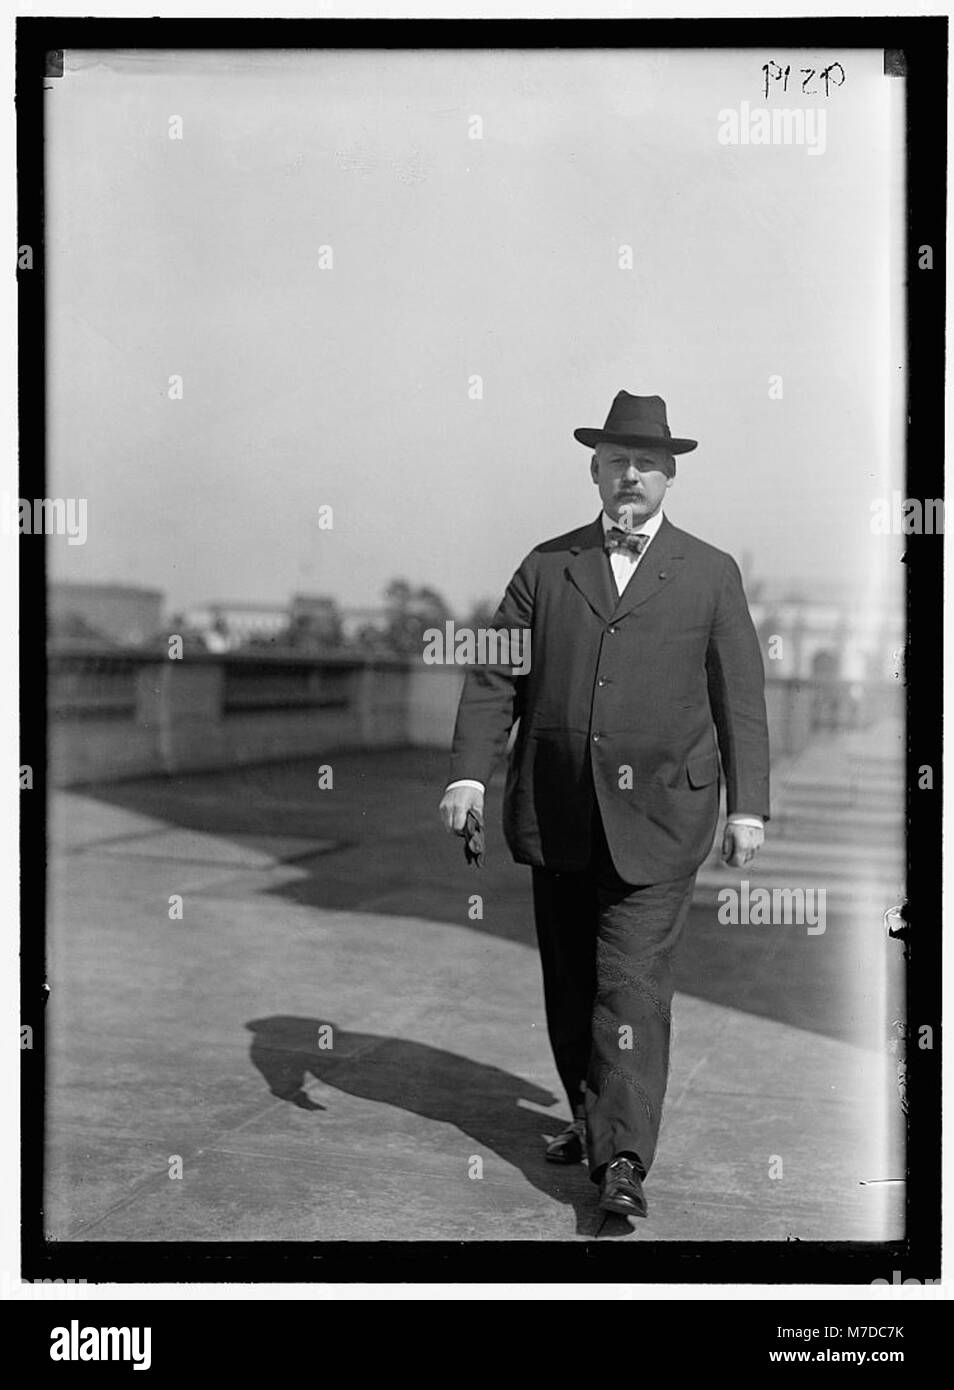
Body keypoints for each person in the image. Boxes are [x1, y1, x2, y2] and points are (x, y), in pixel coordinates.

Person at [438, 391, 770, 1218]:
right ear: (594, 471)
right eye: (617, 462)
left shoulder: (711, 572)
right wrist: (469, 777)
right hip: (557, 812)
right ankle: (592, 1119)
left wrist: (748, 807)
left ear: (670, 478)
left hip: (662, 819)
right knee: (571, 984)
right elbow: (493, 675)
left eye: (647, 465)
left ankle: (622, 1157)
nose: (631, 477)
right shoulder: (546, 566)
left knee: (631, 986)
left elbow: (742, 699)